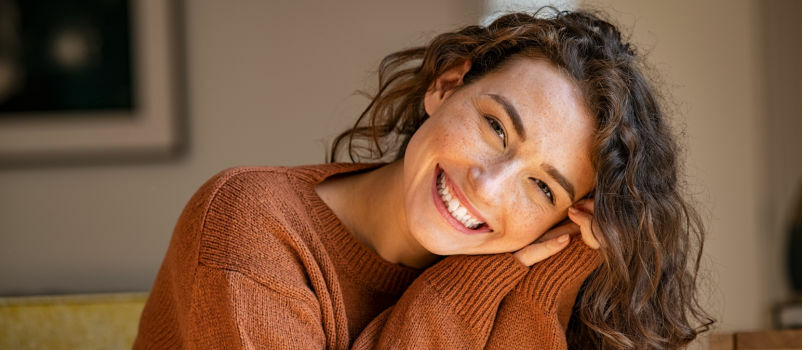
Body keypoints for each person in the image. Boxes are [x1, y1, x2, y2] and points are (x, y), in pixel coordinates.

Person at [134, 8, 713, 349]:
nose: (488, 186)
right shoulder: (250, 220)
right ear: (445, 86)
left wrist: (550, 278)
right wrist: (451, 296)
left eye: (543, 187)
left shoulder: (517, 269)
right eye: (495, 127)